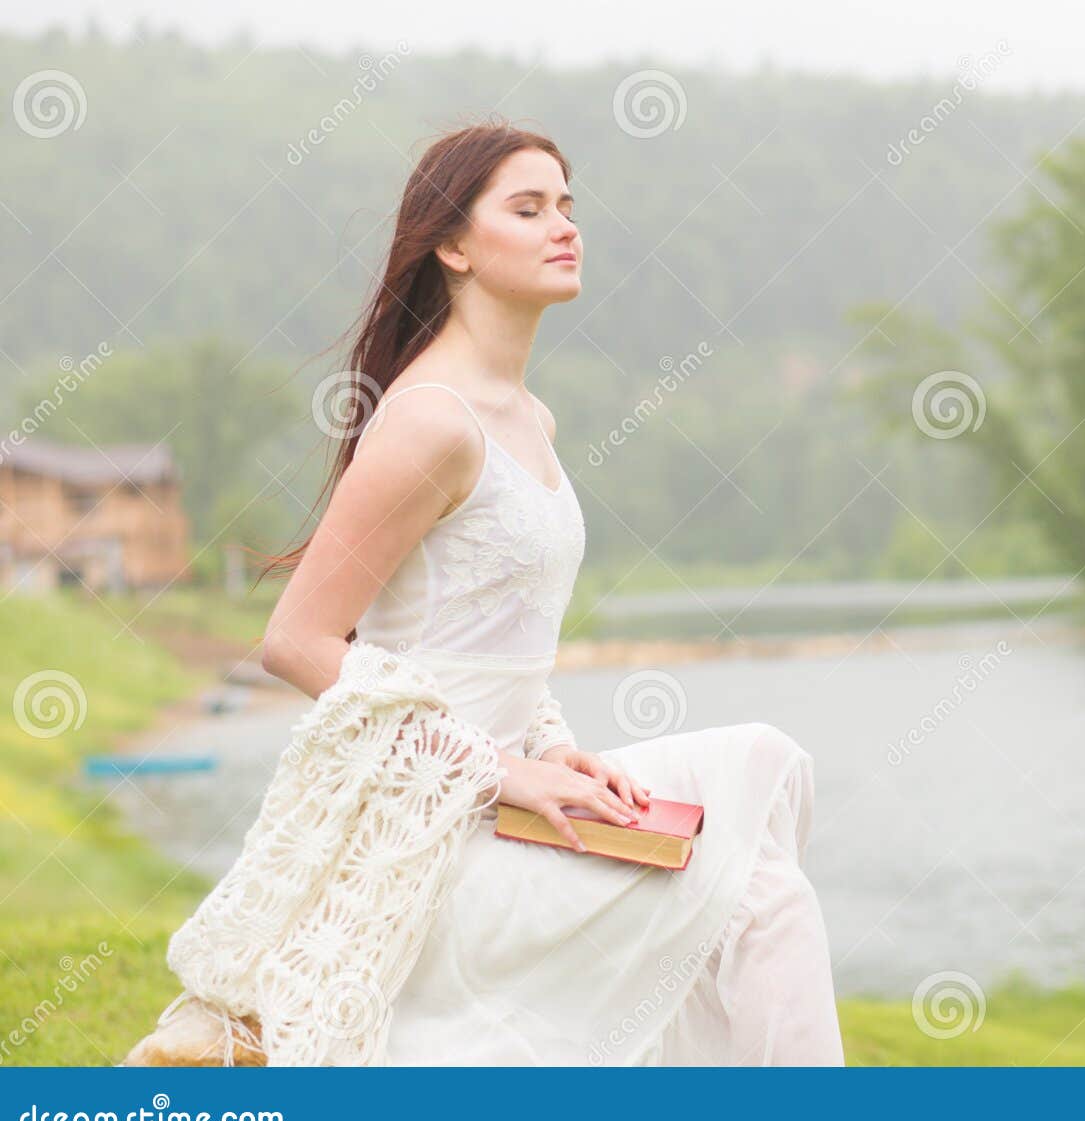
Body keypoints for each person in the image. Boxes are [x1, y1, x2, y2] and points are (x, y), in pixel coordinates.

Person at [254, 119, 844, 1065]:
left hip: (516, 802)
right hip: (436, 846)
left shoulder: (532, 419)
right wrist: (500, 770)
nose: (563, 225)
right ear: (453, 245)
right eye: (527, 208)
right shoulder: (428, 422)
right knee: (764, 900)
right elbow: (296, 641)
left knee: (768, 788)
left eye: (567, 205)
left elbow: (501, 648)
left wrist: (562, 754)